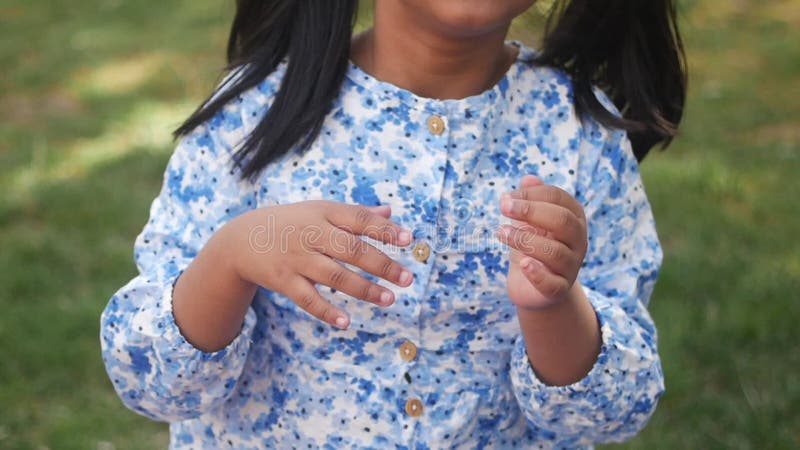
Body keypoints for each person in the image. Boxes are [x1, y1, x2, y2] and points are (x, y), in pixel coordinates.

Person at [100, 0, 686, 448]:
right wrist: (235, 254)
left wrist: (554, 305)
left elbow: (611, 410)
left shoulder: (582, 135)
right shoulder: (252, 115)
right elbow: (152, 380)